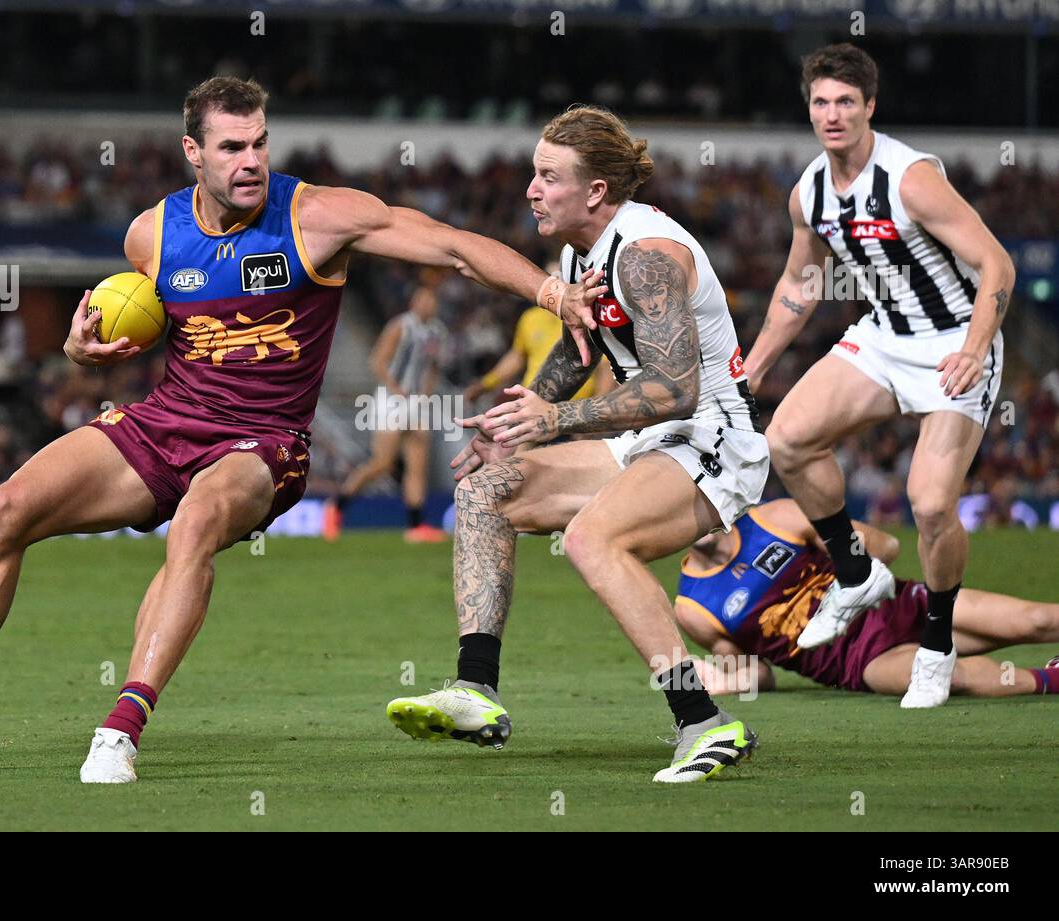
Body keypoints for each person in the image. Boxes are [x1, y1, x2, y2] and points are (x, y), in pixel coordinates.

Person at [0, 77, 603, 783]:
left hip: (264, 443)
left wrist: (549, 291)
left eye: (261, 142)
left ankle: (120, 731)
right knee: (4, 511)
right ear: (192, 151)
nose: (251, 160)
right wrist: (78, 350)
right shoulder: (149, 238)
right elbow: (124, 339)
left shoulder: (318, 218)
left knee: (194, 524)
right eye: (232, 146)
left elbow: (454, 248)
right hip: (167, 422)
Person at [386, 105, 768, 783]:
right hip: (649, 437)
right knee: (486, 489)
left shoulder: (648, 254)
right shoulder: (579, 253)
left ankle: (705, 721)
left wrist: (554, 423)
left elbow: (676, 388)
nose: (530, 189)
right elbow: (576, 349)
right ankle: (477, 689)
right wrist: (514, 420)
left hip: (711, 435)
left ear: (596, 191)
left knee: (594, 538)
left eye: (547, 176)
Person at [742, 43, 1016, 708]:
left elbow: (998, 265)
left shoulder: (911, 178)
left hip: (955, 341)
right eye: (821, 102)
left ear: (869, 107)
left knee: (928, 504)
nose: (832, 114)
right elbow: (799, 284)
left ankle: (939, 642)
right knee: (789, 438)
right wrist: (748, 371)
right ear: (809, 109)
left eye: (845, 102)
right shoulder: (808, 192)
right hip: (885, 337)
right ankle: (856, 571)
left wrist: (977, 349)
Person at [673, 498, 1059, 699]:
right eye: (675, 513)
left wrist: (847, 570)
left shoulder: (777, 518)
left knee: (1038, 621)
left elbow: (886, 547)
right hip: (861, 661)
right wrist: (720, 683)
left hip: (903, 606)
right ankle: (1052, 678)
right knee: (945, 679)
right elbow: (758, 675)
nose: (691, 518)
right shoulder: (693, 608)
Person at [323, 268, 451, 543]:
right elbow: (377, 361)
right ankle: (337, 505)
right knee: (382, 463)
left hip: (416, 402)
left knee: (418, 465)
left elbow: (431, 369)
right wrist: (398, 391)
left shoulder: (437, 332)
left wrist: (425, 396)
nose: (428, 304)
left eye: (431, 300)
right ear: (413, 302)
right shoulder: (400, 326)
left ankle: (416, 526)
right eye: (423, 299)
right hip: (392, 402)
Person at [463, 261, 611, 407]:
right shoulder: (531, 318)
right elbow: (517, 357)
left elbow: (605, 371)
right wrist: (485, 385)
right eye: (553, 279)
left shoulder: (588, 319)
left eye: (562, 279)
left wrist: (595, 418)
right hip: (531, 405)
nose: (558, 285)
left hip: (571, 413)